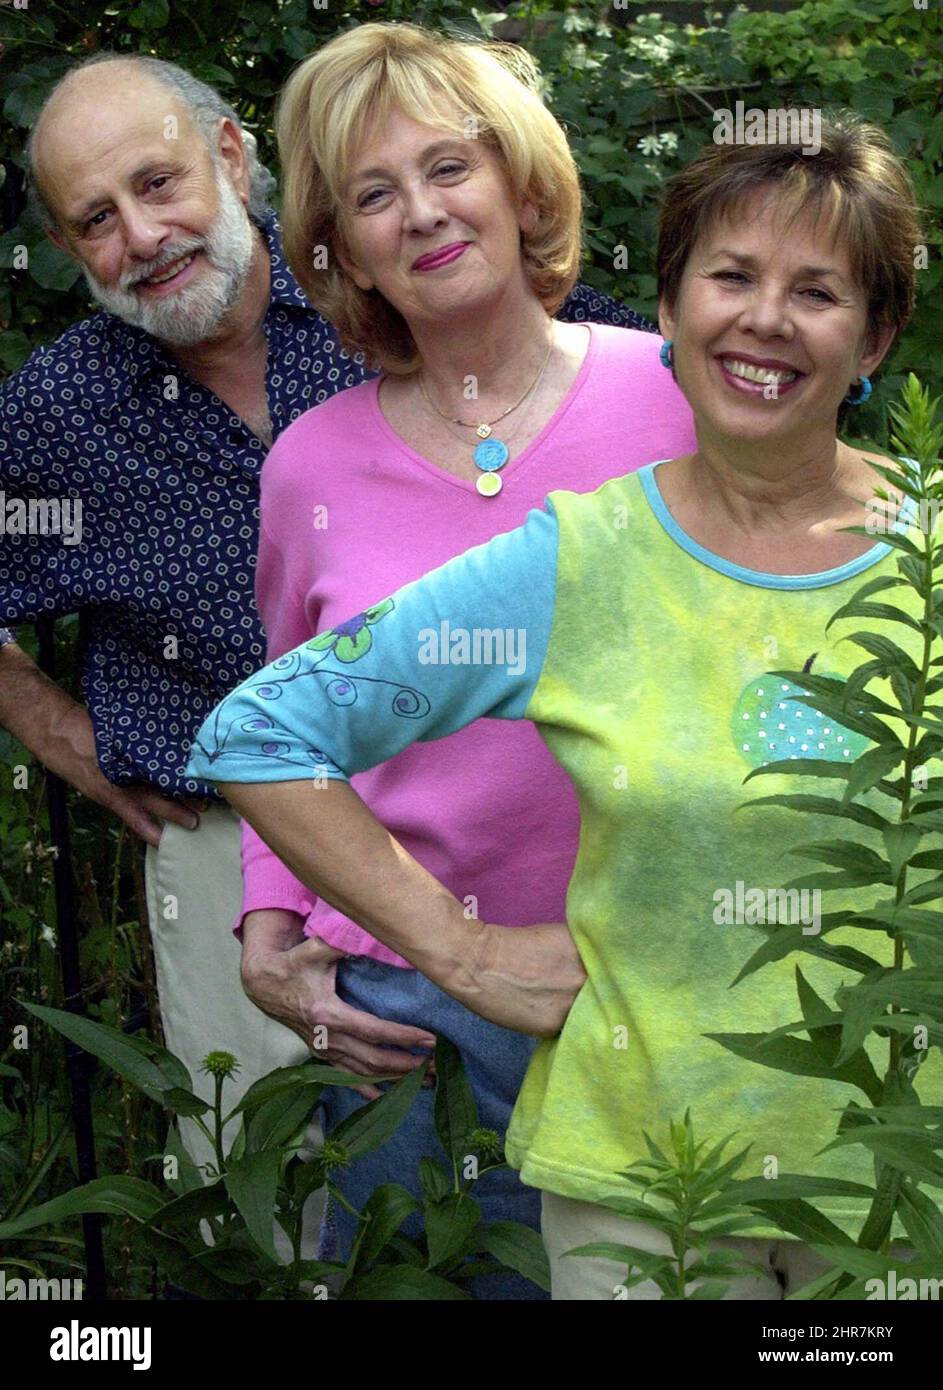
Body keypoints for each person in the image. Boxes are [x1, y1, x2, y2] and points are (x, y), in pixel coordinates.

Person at [187, 110, 943, 1299]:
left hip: (897, 1175)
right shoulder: (579, 559)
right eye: (730, 277)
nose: (762, 319)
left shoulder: (932, 551)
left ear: (876, 339)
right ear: (670, 311)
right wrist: (463, 948)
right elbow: (259, 732)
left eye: (819, 292)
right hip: (648, 1190)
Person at [0, 50, 643, 1180]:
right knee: (277, 1191)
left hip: (552, 852)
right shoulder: (59, 409)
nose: (143, 237)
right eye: (95, 219)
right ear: (67, 250)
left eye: (158, 185)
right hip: (224, 844)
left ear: (231, 157)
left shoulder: (395, 289)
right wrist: (74, 746)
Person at [228, 21, 695, 1297]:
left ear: (520, 180)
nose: (422, 213)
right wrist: (271, 930)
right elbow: (281, 719)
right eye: (373, 194)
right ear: (340, 246)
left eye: (449, 167)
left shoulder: (679, 392)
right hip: (408, 1013)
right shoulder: (309, 464)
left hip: (654, 985)